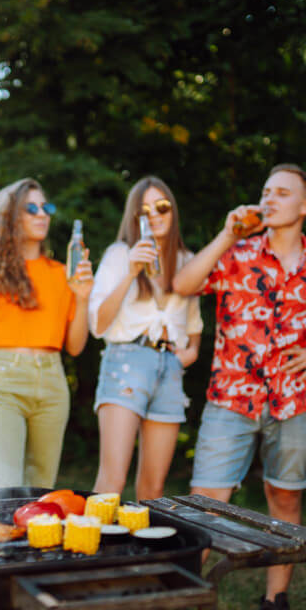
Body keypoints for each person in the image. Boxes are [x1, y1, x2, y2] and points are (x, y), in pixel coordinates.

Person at [173, 163, 306, 610]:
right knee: (204, 503)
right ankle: (179, 601)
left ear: (305, 206)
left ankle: (274, 602)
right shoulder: (237, 253)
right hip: (232, 396)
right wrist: (226, 235)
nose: (269, 199)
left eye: (282, 193)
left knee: (284, 498)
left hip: (295, 402)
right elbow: (184, 285)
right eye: (265, 191)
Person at [0, 178, 93, 488]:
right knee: (3, 490)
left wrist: (83, 298)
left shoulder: (62, 274)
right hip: (2, 383)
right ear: (11, 216)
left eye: (46, 207)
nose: (42, 214)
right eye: (32, 208)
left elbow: (75, 346)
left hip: (53, 384)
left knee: (42, 492)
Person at [88, 176, 202, 501]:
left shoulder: (187, 260)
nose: (154, 215)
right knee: (112, 482)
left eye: (161, 206)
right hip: (127, 361)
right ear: (134, 217)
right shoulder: (119, 254)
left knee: (153, 491)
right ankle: (92, 552)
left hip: (170, 368)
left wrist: (188, 354)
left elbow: (195, 326)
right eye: (144, 210)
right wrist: (131, 271)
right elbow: (98, 324)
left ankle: (140, 553)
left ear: (172, 210)